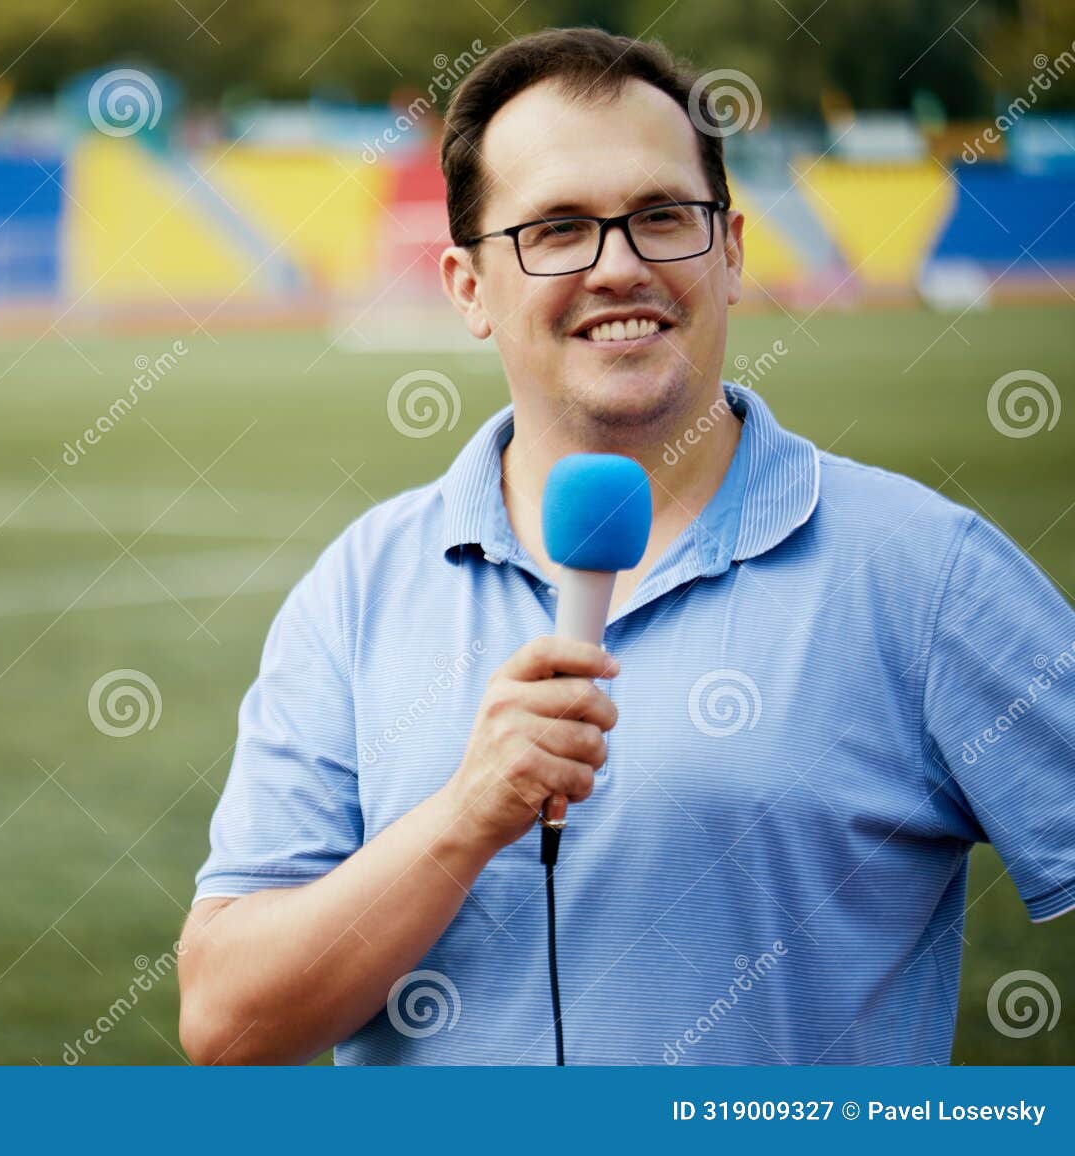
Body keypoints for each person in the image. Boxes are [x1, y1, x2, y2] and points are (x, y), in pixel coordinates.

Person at [177, 26, 1075, 1065]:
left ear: (730, 250)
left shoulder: (926, 570)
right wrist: (465, 818)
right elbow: (227, 1025)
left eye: (661, 216)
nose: (620, 266)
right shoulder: (358, 586)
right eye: (556, 229)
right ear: (467, 286)